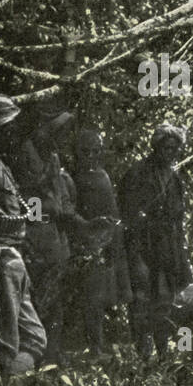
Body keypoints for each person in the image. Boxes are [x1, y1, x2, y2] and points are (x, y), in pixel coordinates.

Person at [8, 106, 86, 365]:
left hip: (53, 235)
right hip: (34, 235)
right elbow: (31, 200)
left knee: (55, 299)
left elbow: (59, 199)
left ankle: (51, 356)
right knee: (36, 298)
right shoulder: (26, 153)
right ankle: (33, 358)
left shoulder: (52, 156)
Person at [120, 123, 193, 359]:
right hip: (143, 246)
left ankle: (164, 351)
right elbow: (127, 215)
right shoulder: (137, 173)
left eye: (174, 149)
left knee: (166, 301)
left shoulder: (174, 178)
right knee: (141, 301)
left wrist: (181, 253)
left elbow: (179, 219)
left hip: (168, 248)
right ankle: (142, 353)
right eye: (165, 147)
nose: (170, 153)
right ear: (156, 147)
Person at [0, 93, 47, 376]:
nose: (11, 132)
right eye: (4, 127)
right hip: (0, 259)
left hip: (12, 257)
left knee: (34, 339)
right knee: (7, 344)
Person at [70, 128, 130, 355]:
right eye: (86, 151)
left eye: (96, 151)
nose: (91, 156)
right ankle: (93, 346)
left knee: (103, 298)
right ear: (77, 152)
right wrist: (87, 226)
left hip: (104, 243)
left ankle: (98, 344)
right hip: (83, 244)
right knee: (89, 299)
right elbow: (68, 212)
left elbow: (113, 211)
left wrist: (114, 238)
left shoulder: (102, 175)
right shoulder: (72, 177)